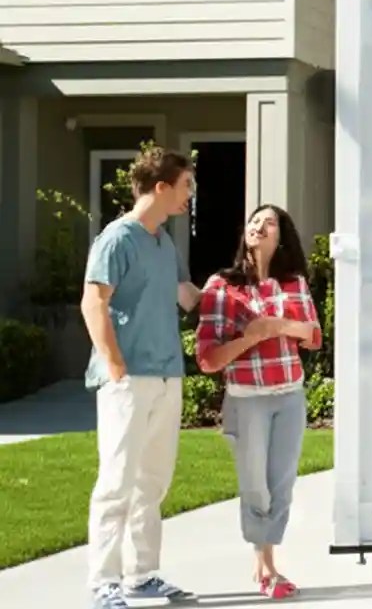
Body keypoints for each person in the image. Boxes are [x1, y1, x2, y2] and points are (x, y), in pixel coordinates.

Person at [82, 147, 201, 609]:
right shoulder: (118, 238)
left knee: (153, 480)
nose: (189, 195)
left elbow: (184, 295)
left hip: (167, 375)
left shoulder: (163, 242)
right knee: (117, 480)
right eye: (186, 185)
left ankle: (141, 573)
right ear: (162, 187)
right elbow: (94, 302)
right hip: (129, 379)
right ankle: (104, 581)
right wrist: (115, 366)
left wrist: (233, 291)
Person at [195, 204, 321, 600]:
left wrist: (278, 326)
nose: (259, 226)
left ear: (281, 236)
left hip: (289, 395)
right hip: (247, 399)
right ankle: (264, 564)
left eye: (269, 223)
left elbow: (313, 336)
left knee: (280, 485)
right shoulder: (222, 285)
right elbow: (208, 359)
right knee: (256, 488)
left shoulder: (293, 283)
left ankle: (267, 565)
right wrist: (252, 337)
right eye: (254, 220)